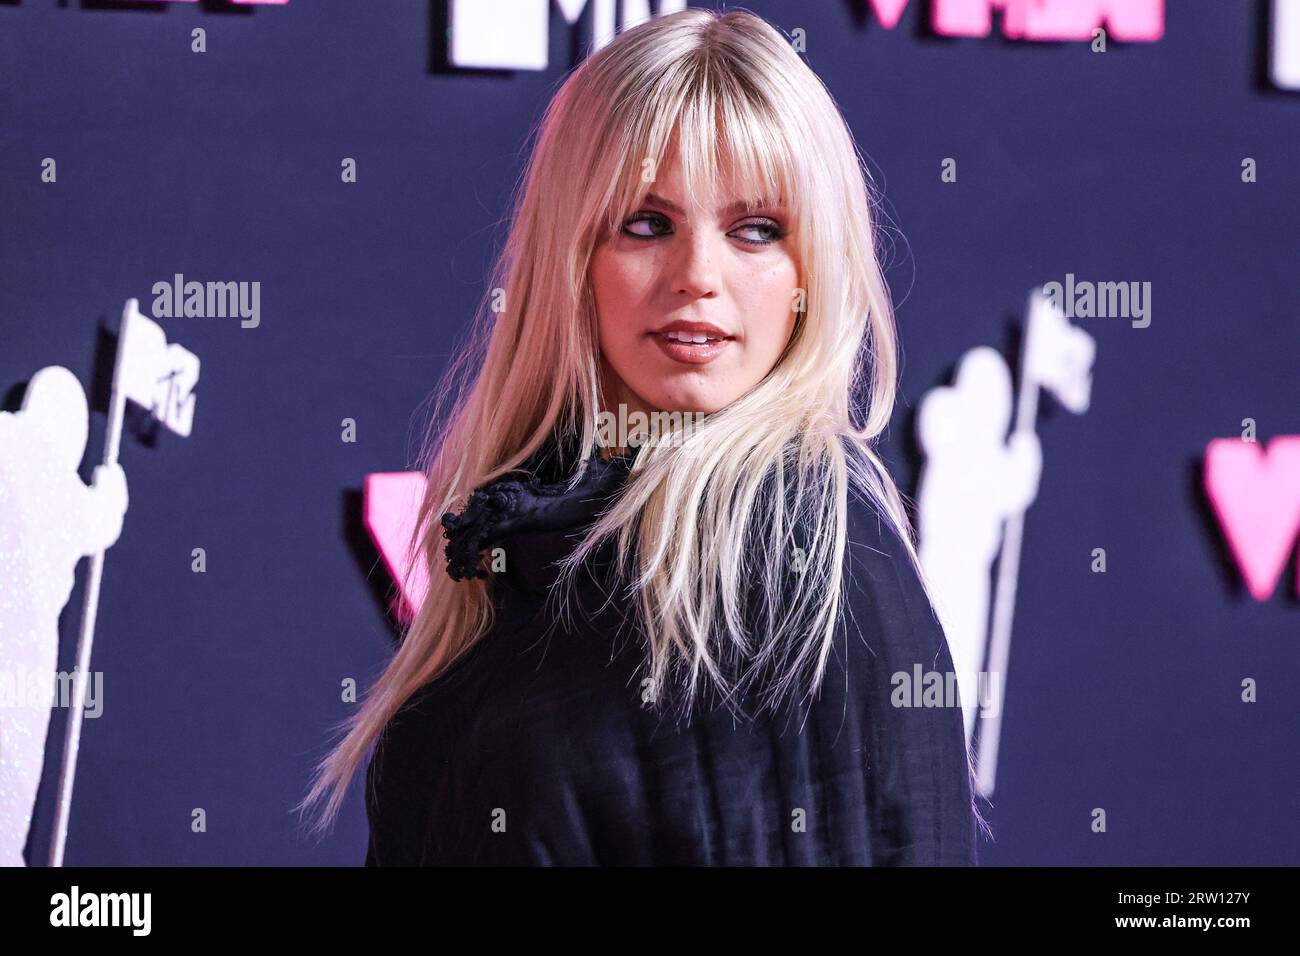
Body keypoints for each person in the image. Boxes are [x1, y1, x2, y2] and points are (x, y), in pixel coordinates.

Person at [298, 7, 985, 865]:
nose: (698, 275)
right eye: (646, 224)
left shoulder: (801, 548)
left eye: (757, 230)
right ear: (572, 257)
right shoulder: (525, 532)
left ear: (814, 271)